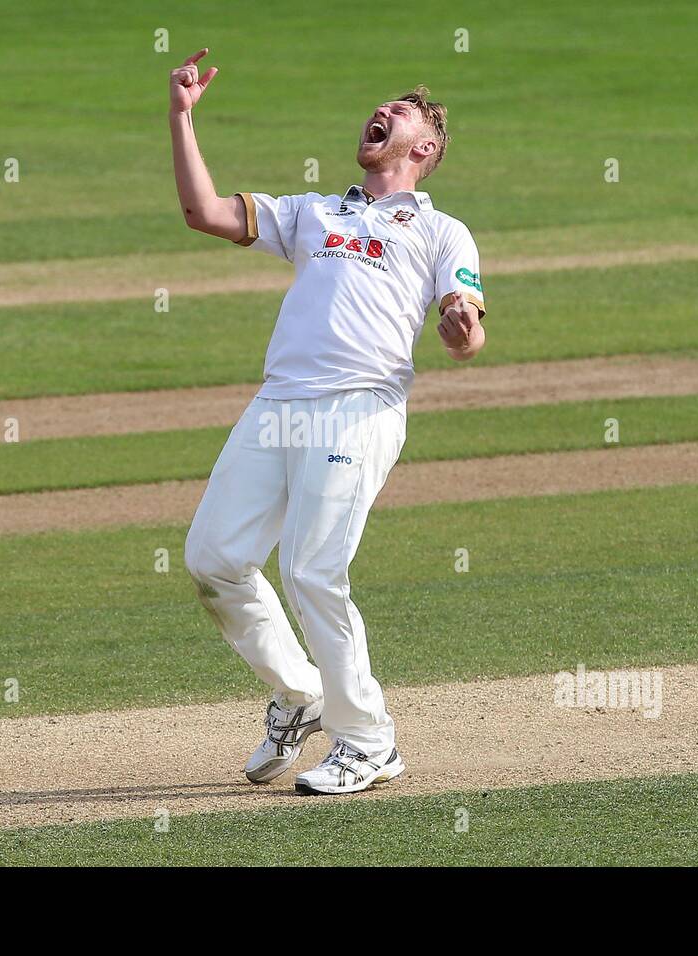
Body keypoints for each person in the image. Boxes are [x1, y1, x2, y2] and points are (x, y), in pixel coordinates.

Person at [169, 48, 486, 795]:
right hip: (279, 405)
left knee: (312, 569)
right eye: (380, 110)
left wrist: (459, 330)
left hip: (359, 407)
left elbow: (466, 327)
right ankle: (299, 692)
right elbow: (203, 213)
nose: (381, 116)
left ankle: (369, 743)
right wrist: (182, 118)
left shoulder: (441, 232)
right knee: (213, 558)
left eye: (399, 114)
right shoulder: (317, 212)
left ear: (424, 148)